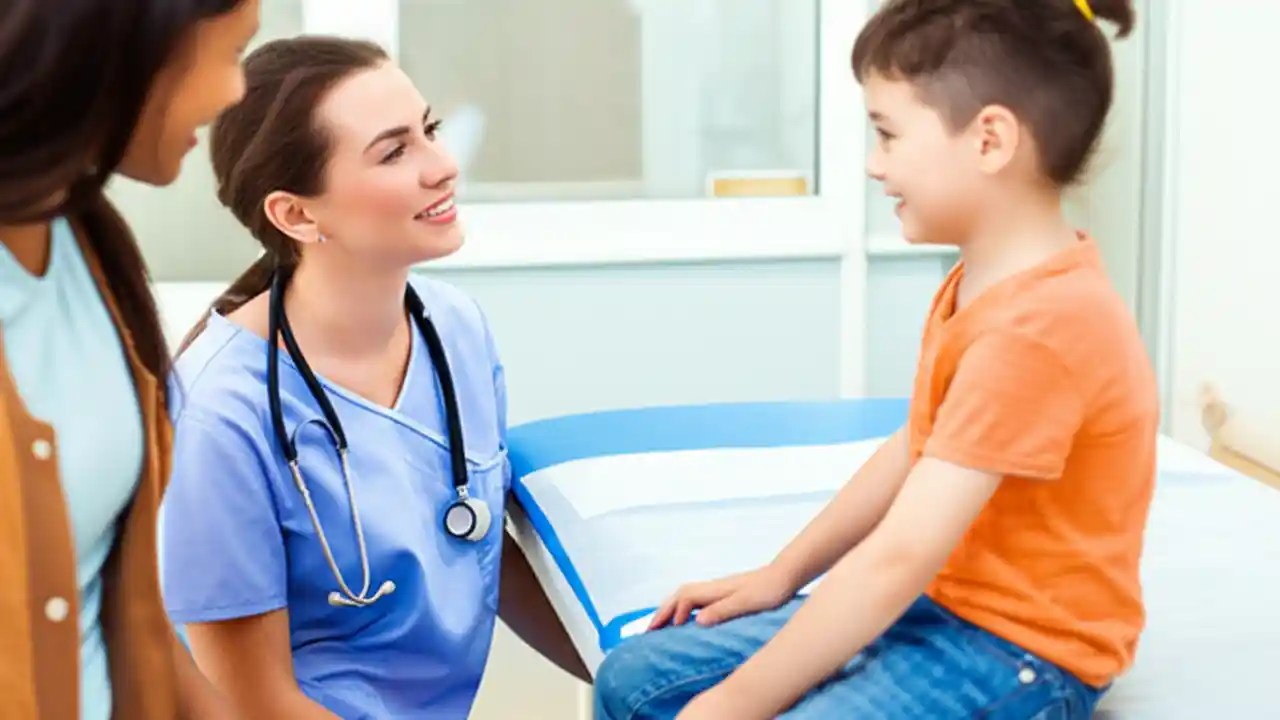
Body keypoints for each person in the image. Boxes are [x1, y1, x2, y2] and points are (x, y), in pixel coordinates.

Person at [594, 0, 1156, 718]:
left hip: (1018, 654)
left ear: (989, 141)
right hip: (939, 608)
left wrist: (732, 704)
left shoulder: (1041, 328)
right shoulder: (982, 282)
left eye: (888, 135)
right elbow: (918, 445)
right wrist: (781, 575)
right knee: (631, 681)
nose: (872, 164)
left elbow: (898, 558)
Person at [158, 35, 589, 719]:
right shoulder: (221, 414)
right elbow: (255, 702)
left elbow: (475, 544)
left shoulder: (456, 330)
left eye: (429, 131)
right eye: (394, 152)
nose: (442, 166)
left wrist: (638, 678)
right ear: (296, 214)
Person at [0, 1, 260, 718]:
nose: (236, 91)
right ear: (131, 43)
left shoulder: (90, 249)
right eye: (233, 52)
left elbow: (120, 617)